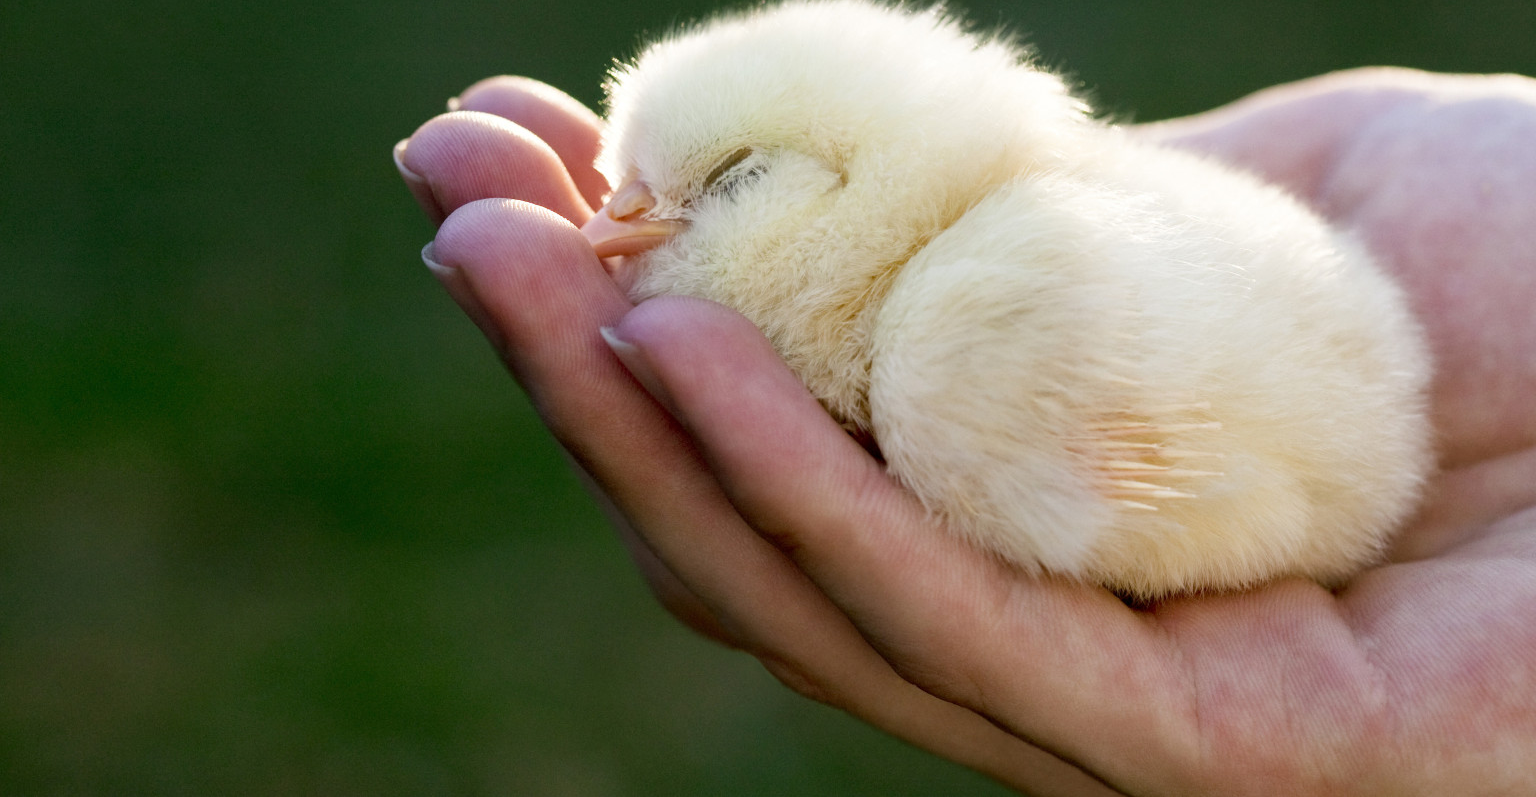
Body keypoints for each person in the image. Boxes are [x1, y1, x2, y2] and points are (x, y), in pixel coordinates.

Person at [395, 66, 1536, 795]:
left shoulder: (972, 329)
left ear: (854, 186)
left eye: (726, 181)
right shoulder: (1049, 205)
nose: (623, 220)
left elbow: (1286, 459)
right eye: (631, 182)